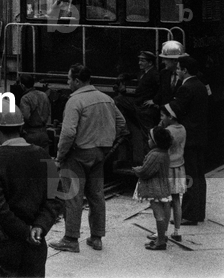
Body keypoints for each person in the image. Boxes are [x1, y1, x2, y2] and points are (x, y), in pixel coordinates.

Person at [49, 64, 127, 253]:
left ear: (77, 81)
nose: (67, 83)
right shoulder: (106, 98)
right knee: (96, 196)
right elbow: (122, 123)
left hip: (77, 154)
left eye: (68, 79)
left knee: (73, 197)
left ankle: (71, 239)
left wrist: (60, 156)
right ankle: (97, 237)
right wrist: (107, 142)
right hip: (100, 154)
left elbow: (67, 133)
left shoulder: (75, 101)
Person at [0, 105, 63, 277]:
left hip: (2, 242)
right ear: (21, 128)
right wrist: (39, 226)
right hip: (35, 243)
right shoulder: (43, 155)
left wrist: (24, 232)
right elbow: (56, 197)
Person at [166, 56, 208, 225]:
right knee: (198, 175)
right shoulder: (201, 85)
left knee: (189, 175)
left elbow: (175, 110)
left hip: (188, 137)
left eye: (178, 69)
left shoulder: (186, 88)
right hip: (201, 135)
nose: (177, 71)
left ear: (185, 70)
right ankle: (198, 212)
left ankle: (189, 214)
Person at [133, 126, 173, 250]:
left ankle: (160, 242)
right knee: (164, 213)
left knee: (158, 215)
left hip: (156, 190)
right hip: (164, 188)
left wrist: (136, 170)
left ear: (156, 142)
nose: (148, 141)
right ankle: (162, 236)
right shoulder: (164, 153)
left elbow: (146, 171)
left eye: (150, 139)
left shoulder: (155, 155)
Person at [159, 106, 186, 241]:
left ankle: (162, 232)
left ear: (170, 116)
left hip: (168, 168)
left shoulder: (167, 131)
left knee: (166, 201)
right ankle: (177, 231)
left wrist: (160, 127)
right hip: (180, 167)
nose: (161, 119)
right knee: (176, 200)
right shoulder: (183, 129)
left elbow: (159, 146)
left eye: (162, 116)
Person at [19, 75, 52, 151]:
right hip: (43, 133)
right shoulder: (44, 95)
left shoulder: (25, 98)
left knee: (30, 161)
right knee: (45, 160)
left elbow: (25, 117)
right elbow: (48, 112)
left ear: (22, 86)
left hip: (30, 135)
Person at [156, 40, 187, 106]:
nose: (163, 62)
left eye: (165, 59)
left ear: (175, 60)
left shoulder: (191, 75)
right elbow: (161, 92)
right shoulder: (163, 73)